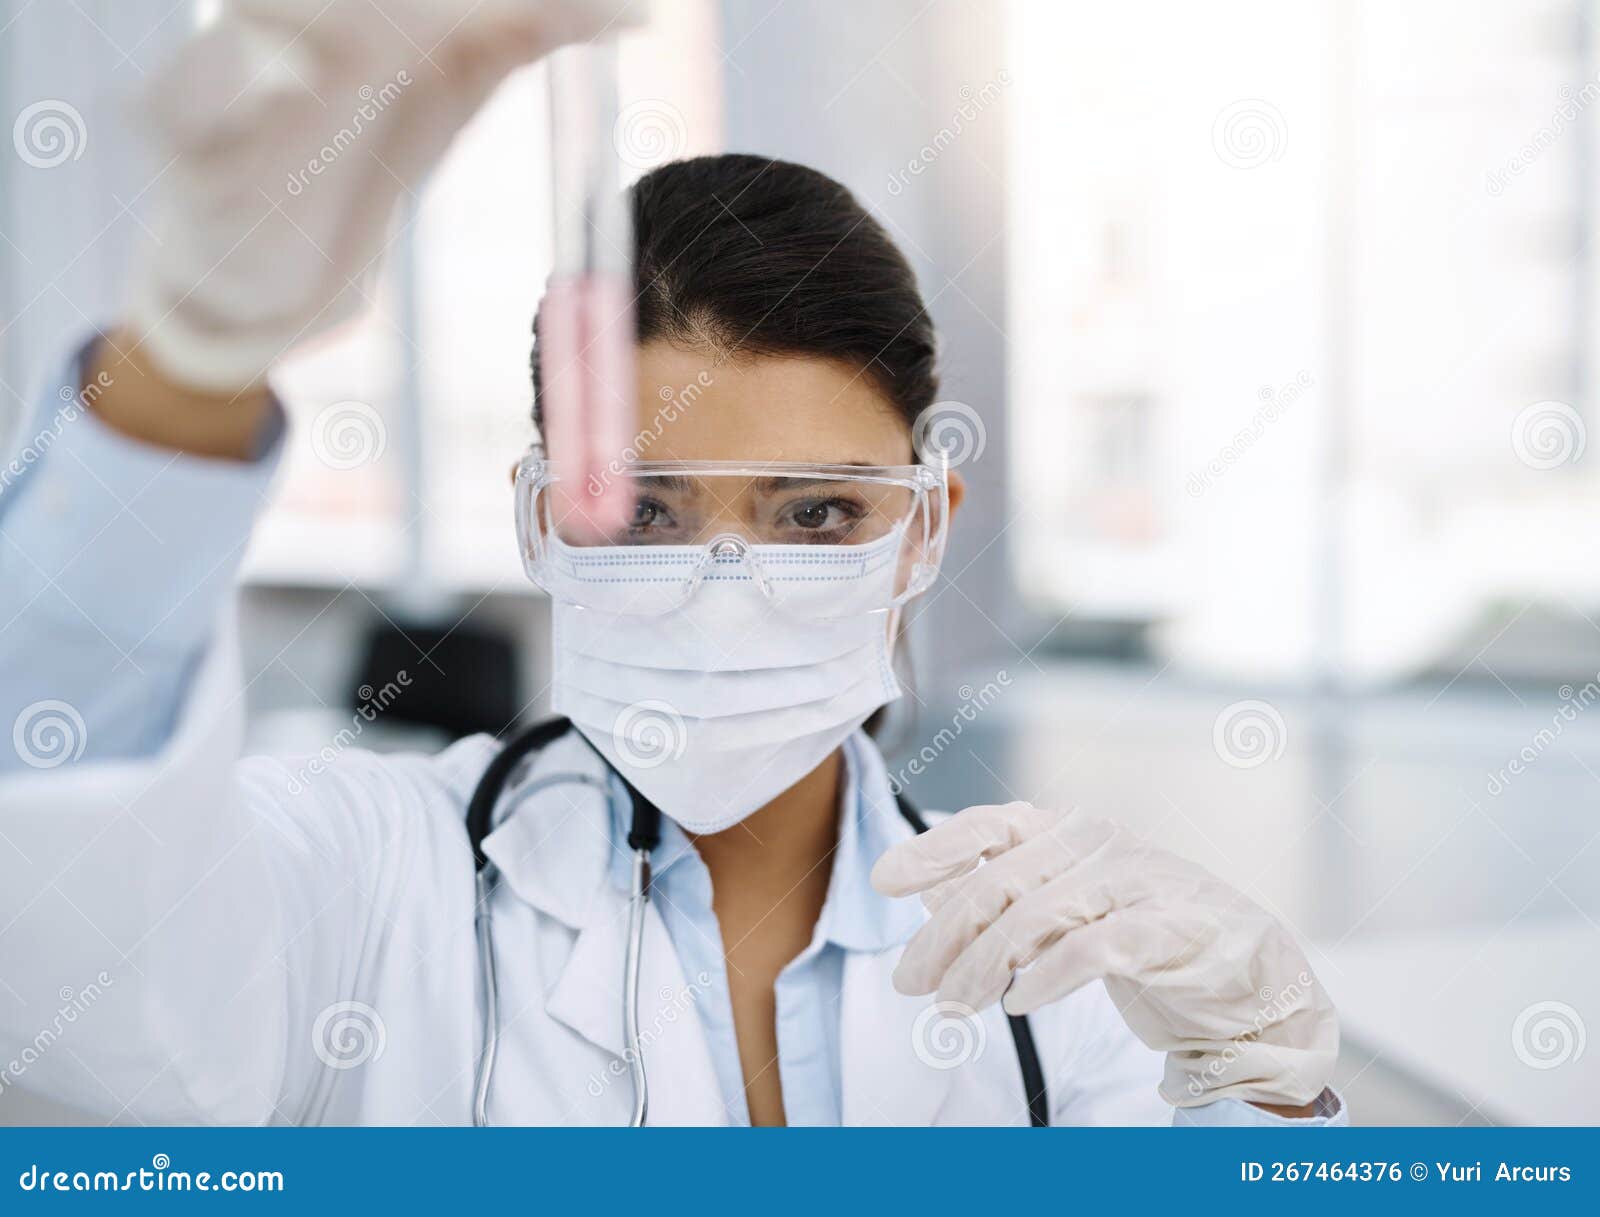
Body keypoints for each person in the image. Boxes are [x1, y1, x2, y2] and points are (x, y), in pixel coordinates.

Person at [0, 0, 1342, 1126]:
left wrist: (1269, 1088)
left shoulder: (1067, 978)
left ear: (924, 527)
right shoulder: (372, 884)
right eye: (645, 513)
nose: (722, 581)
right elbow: (80, 937)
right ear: (540, 523)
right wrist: (186, 363)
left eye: (815, 513)